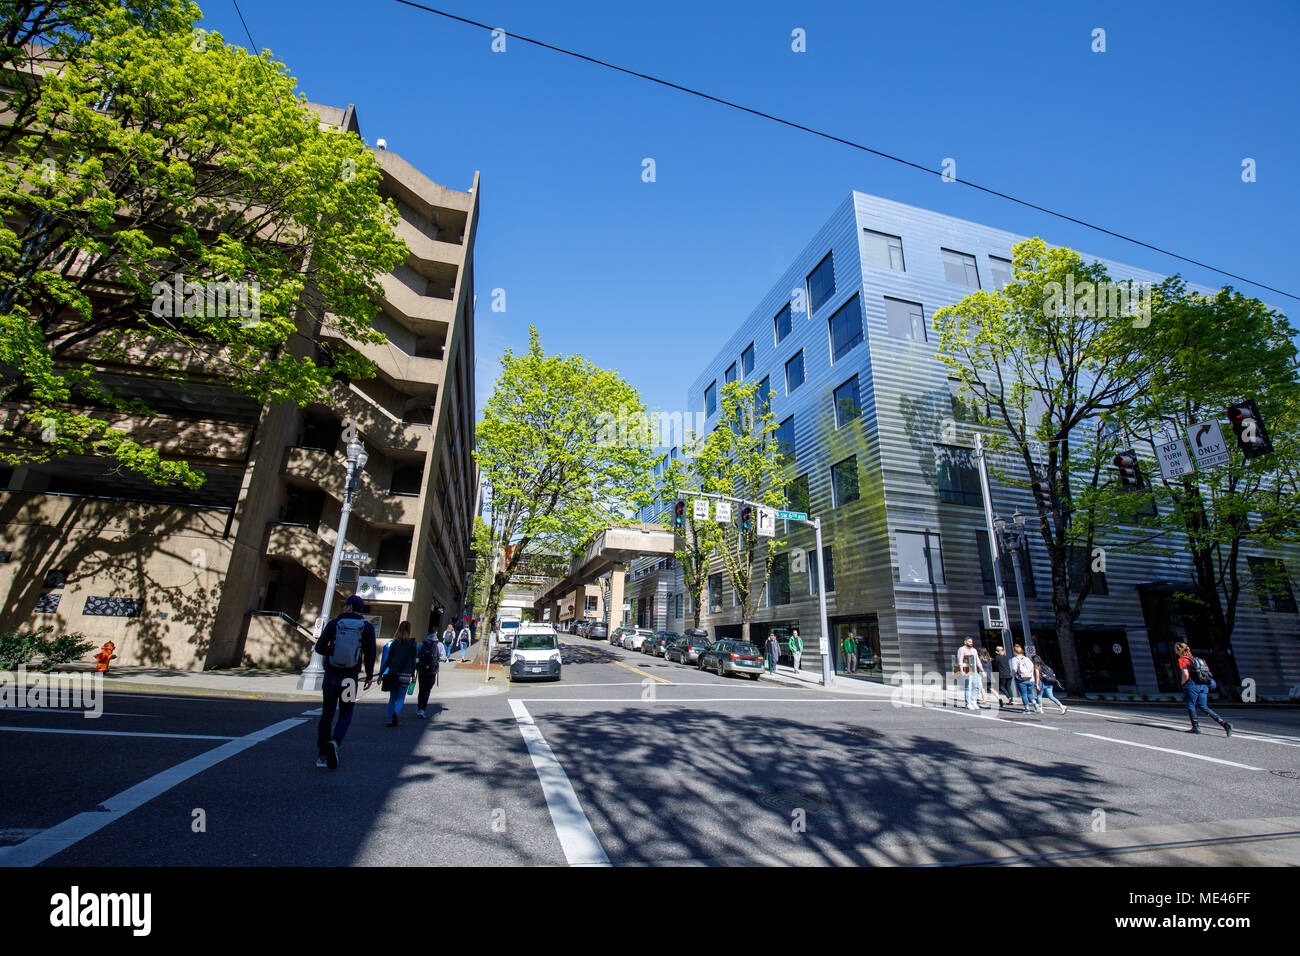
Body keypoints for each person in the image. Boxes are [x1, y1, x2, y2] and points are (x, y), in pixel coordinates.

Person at [314, 594, 377, 769]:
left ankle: (322, 754)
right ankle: (335, 742)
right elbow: (370, 655)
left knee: (327, 714)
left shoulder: (334, 624)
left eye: (346, 605)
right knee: (346, 713)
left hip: (331, 675)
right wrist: (370, 676)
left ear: (349, 607)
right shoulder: (367, 627)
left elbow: (319, 647)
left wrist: (332, 652)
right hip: (350, 678)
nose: (344, 608)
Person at [1175, 641, 1232, 736]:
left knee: (1190, 705)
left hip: (1192, 685)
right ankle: (1224, 724)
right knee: (1204, 707)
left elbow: (1185, 673)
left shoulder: (1182, 659)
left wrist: (1183, 683)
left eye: (1176, 649)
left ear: (1179, 650)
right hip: (1204, 686)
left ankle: (1196, 727)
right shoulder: (1198, 659)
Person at [380, 621, 418, 727]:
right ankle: (396, 712)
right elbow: (413, 661)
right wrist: (413, 675)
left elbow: (388, 660)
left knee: (392, 698)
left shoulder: (395, 643)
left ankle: (389, 719)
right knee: (401, 698)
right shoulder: (412, 643)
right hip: (405, 674)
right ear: (409, 630)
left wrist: (380, 674)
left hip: (393, 673)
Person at [416, 627, 441, 717]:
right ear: (436, 633)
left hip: (422, 670)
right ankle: (422, 709)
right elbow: (443, 657)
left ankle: (419, 708)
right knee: (427, 690)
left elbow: (416, 654)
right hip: (432, 671)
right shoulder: (439, 645)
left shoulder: (422, 644)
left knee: (421, 689)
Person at [957, 637, 983, 710]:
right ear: (965, 642)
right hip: (967, 669)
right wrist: (961, 671)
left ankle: (973, 700)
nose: (971, 643)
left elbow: (977, 661)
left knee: (977, 686)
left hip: (974, 670)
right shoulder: (962, 649)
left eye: (971, 642)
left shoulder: (974, 650)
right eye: (969, 641)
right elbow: (960, 660)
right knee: (968, 687)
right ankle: (968, 703)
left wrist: (982, 670)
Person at [1010, 644, 1036, 714]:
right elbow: (1032, 667)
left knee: (1024, 694)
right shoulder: (1027, 658)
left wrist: (1013, 674)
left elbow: (1014, 670)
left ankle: (1027, 709)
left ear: (1015, 652)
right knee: (1030, 694)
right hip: (1030, 679)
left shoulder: (1014, 659)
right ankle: (1036, 705)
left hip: (1021, 679)